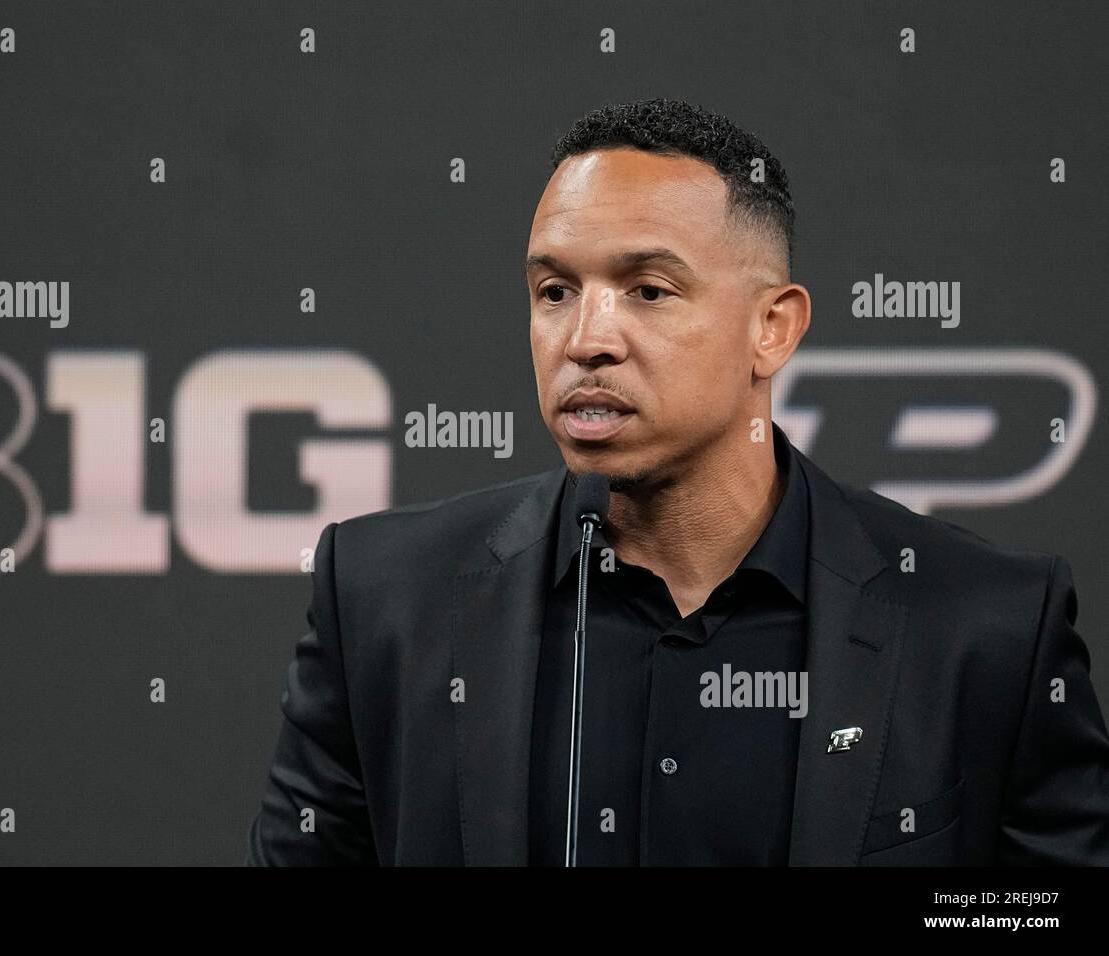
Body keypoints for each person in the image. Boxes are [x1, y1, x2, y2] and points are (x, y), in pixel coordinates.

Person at [245, 98, 1109, 865]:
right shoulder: (382, 599)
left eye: (648, 290)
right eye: (554, 290)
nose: (586, 338)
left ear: (773, 329)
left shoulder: (985, 625)